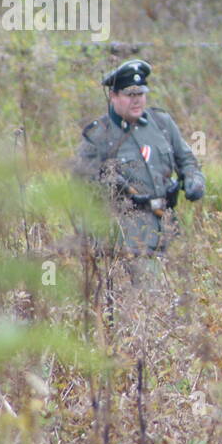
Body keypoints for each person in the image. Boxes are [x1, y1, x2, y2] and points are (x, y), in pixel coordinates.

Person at [72, 58, 205, 279]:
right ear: (113, 96)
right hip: (123, 241)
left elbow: (188, 161)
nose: (136, 101)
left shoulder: (162, 124)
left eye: (140, 94)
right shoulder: (99, 135)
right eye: (129, 95)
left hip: (165, 234)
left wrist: (194, 180)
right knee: (143, 302)